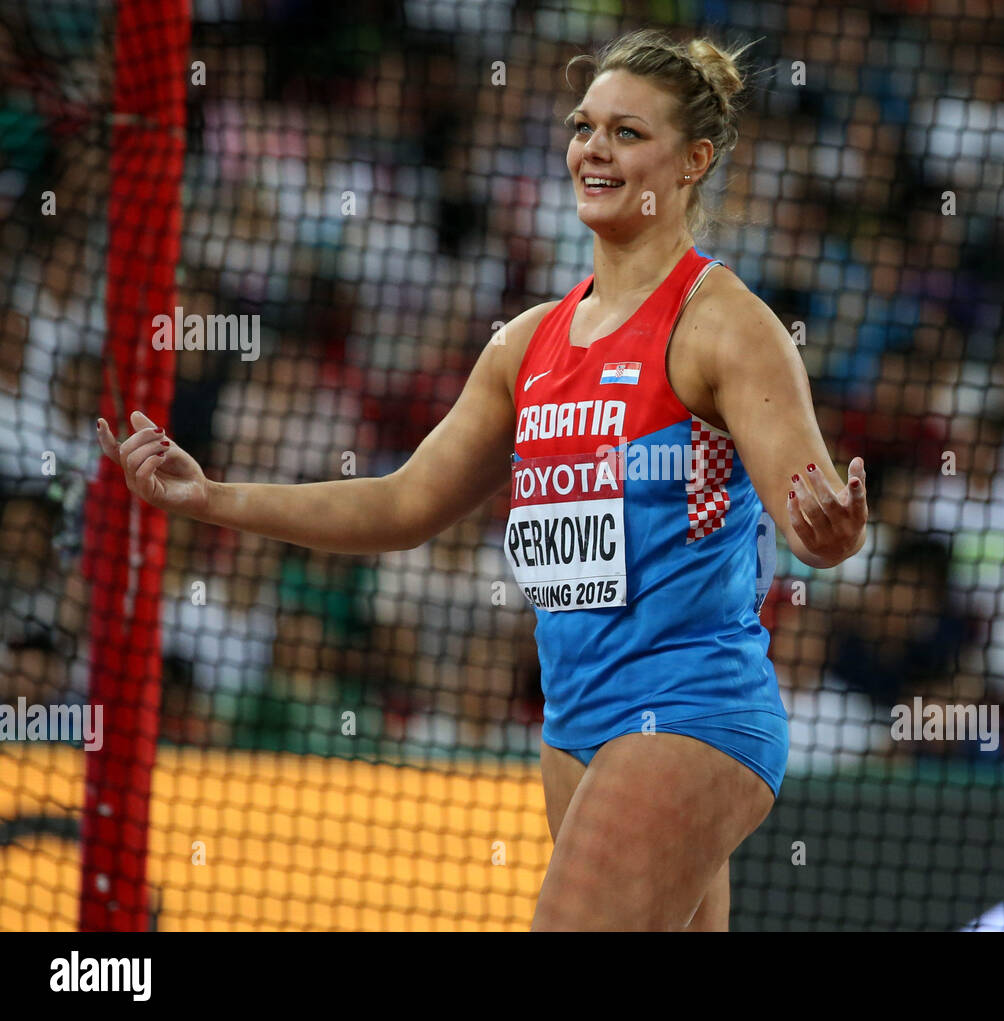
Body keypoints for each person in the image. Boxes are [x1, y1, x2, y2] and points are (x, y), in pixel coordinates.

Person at [95, 28, 867, 931]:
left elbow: (807, 505)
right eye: (585, 127)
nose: (594, 149)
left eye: (627, 133)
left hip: (689, 707)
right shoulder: (526, 344)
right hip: (575, 722)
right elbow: (401, 501)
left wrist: (831, 532)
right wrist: (211, 496)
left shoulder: (726, 326)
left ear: (694, 160)